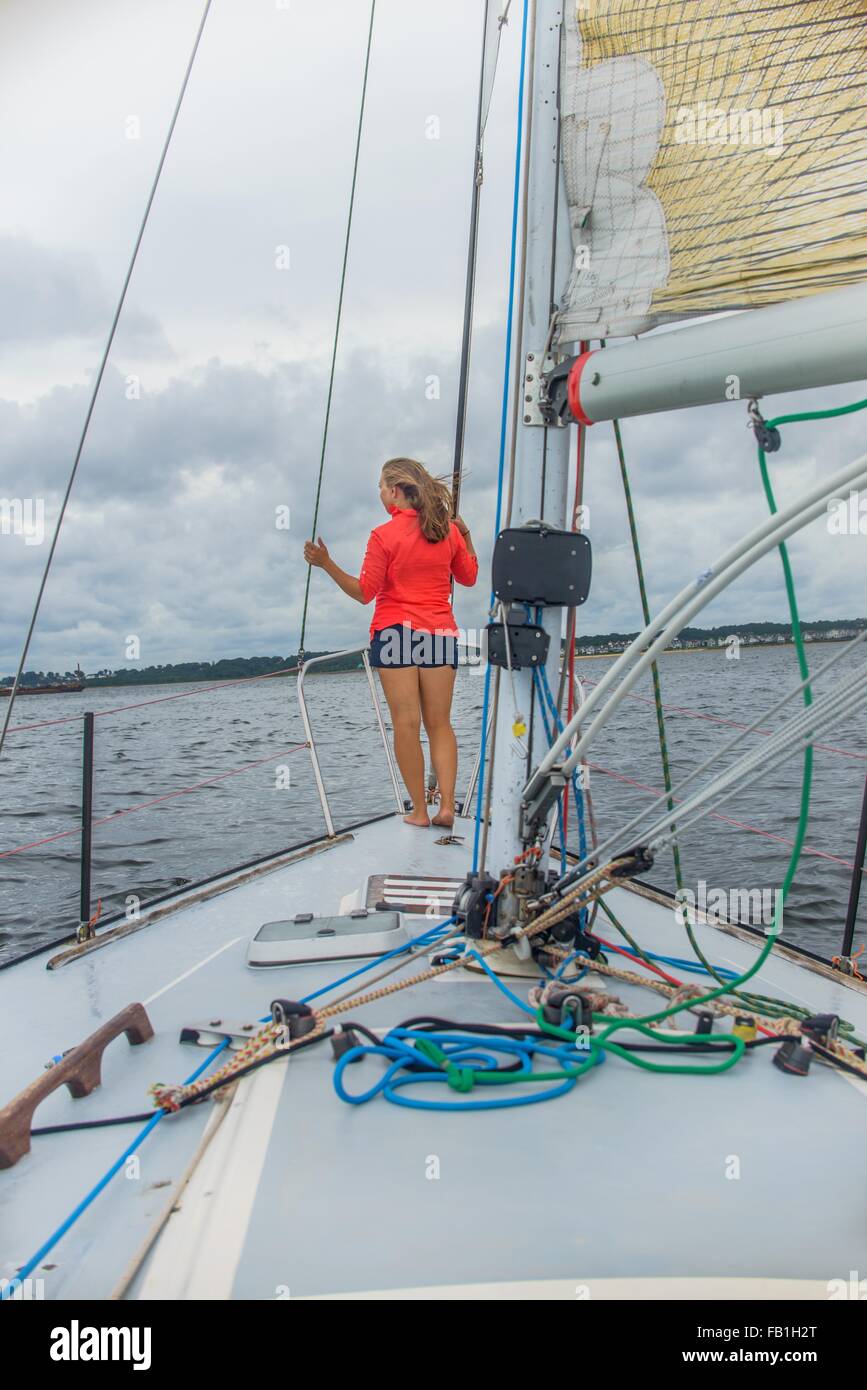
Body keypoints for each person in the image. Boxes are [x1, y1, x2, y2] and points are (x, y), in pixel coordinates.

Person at [303, 457, 478, 827]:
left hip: (396, 633)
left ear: (396, 491)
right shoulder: (445, 531)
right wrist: (465, 535)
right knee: (440, 724)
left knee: (406, 722)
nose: (381, 494)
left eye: (382, 487)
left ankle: (420, 812)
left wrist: (326, 563)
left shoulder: (383, 535)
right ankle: (447, 806)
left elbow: (364, 592)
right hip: (439, 635)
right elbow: (469, 577)